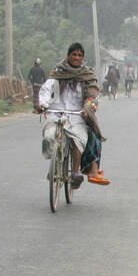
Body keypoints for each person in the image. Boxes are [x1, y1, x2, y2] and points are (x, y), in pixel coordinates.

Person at [36, 43, 109, 186]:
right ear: (68, 55)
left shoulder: (87, 75)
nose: (76, 57)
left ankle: (75, 172)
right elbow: (46, 90)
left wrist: (88, 107)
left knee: (78, 140)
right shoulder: (58, 72)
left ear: (83, 58)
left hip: (76, 114)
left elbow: (93, 95)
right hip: (55, 112)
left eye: (79, 55)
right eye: (74, 54)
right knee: (49, 136)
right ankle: (55, 162)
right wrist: (43, 104)